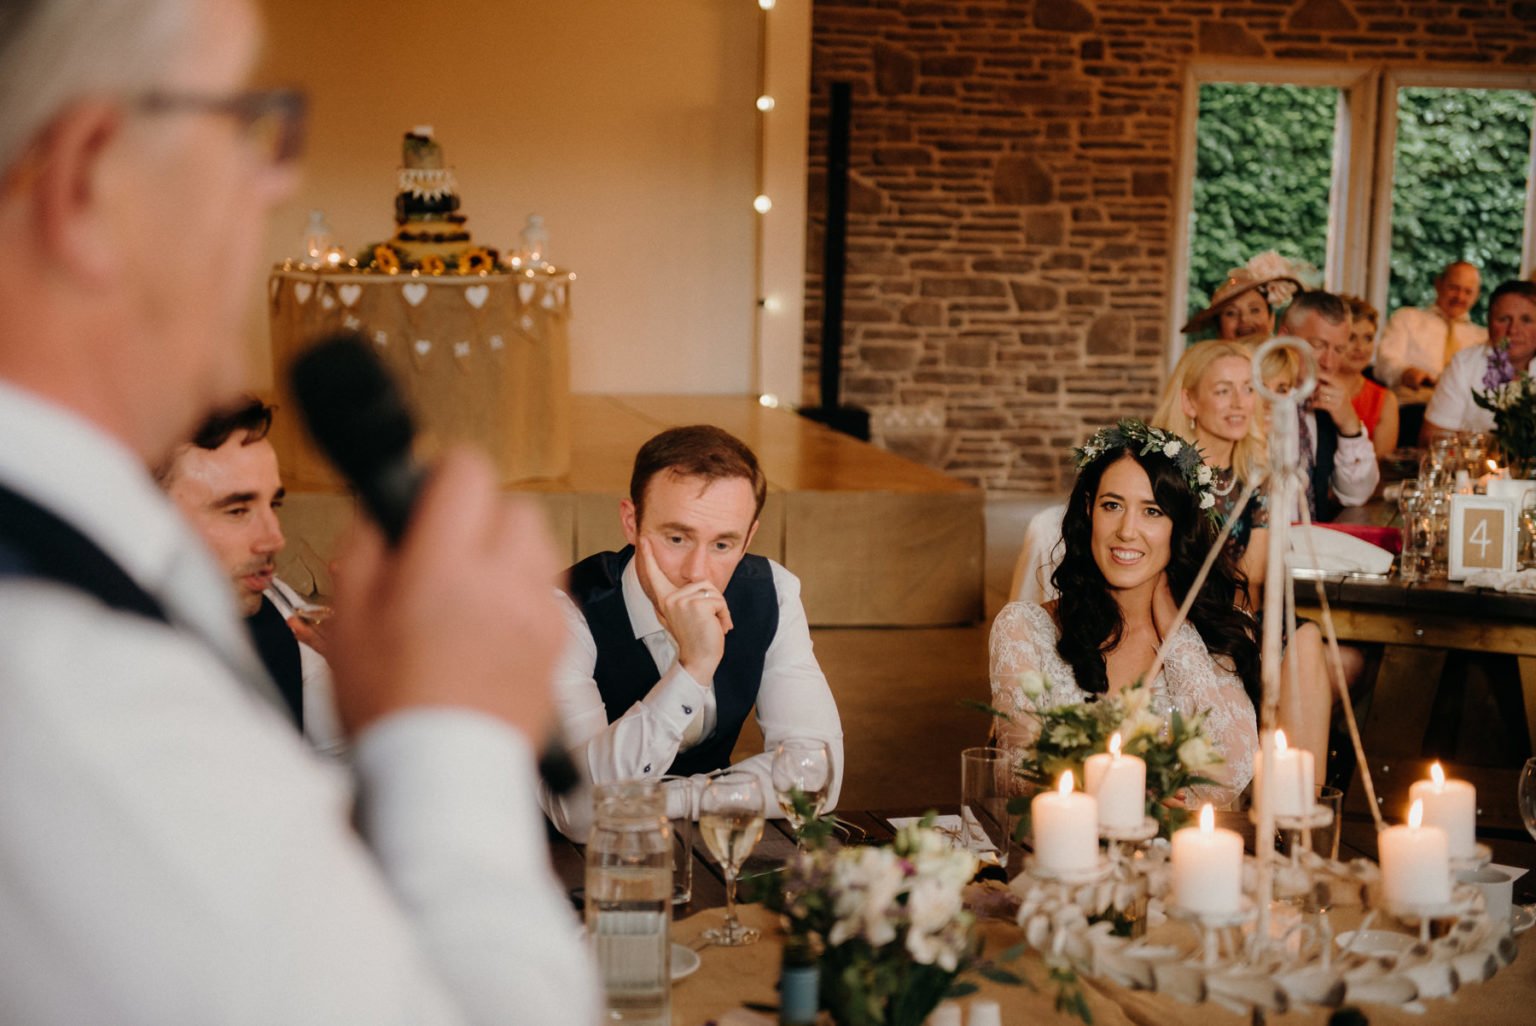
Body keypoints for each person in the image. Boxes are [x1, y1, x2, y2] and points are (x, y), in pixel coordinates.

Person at [0, 2, 597, 1023]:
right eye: (242, 126)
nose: (275, 179)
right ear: (89, 185)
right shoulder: (78, 694)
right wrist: (450, 734)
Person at [543, 425, 844, 840]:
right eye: (677, 538)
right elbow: (579, 813)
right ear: (632, 522)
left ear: (749, 537)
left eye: (723, 545)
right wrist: (694, 666)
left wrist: (671, 799)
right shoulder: (562, 611)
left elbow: (815, 776)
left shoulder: (772, 592)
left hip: (705, 850)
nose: (697, 573)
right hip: (568, 871)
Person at [991, 421, 1260, 809]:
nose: (1127, 531)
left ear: (1180, 526)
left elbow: (1228, 777)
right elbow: (1015, 777)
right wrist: (1126, 794)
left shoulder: (1217, 632)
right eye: (1112, 506)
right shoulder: (1023, 629)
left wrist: (1177, 635)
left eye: (1152, 511)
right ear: (1089, 511)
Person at [157, 396, 345, 758]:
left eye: (273, 504)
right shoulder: (102, 655)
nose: (275, 538)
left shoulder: (277, 622)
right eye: (238, 510)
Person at [1150, 340, 1270, 593]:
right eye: (1223, 391)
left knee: (1308, 632)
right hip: (1172, 612)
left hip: (1235, 614)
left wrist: (1239, 629)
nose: (1239, 402)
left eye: (1248, 389)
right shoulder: (1164, 474)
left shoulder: (1257, 475)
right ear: (1189, 402)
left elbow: (1253, 581)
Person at [1281, 291, 1380, 522]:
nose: (1328, 362)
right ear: (1284, 337)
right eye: (1317, 345)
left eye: (1338, 350)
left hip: (1313, 546)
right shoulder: (1256, 400)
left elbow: (1356, 494)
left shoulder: (1327, 408)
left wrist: (1349, 425)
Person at [1423, 280, 1536, 443]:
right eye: (1504, 319)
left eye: (1526, 320)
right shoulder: (1463, 365)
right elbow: (1431, 439)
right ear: (1488, 322)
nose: (1513, 330)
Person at [1375, 261, 1487, 401]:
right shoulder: (1407, 318)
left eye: (1468, 291)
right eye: (1453, 288)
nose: (1460, 297)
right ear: (1438, 285)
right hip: (1414, 403)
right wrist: (1404, 373)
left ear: (1477, 296)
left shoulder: (1483, 338)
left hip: (1461, 412)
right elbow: (1384, 362)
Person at [1182, 259, 1302, 342]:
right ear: (1219, 327)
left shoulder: (1290, 368)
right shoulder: (1208, 371)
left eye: (1254, 310)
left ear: (1271, 319)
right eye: (1231, 313)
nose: (1244, 319)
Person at [1338, 296, 1400, 455]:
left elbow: (1379, 469)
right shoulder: (1310, 388)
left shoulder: (1384, 400)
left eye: (1368, 338)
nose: (1360, 347)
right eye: (1351, 337)